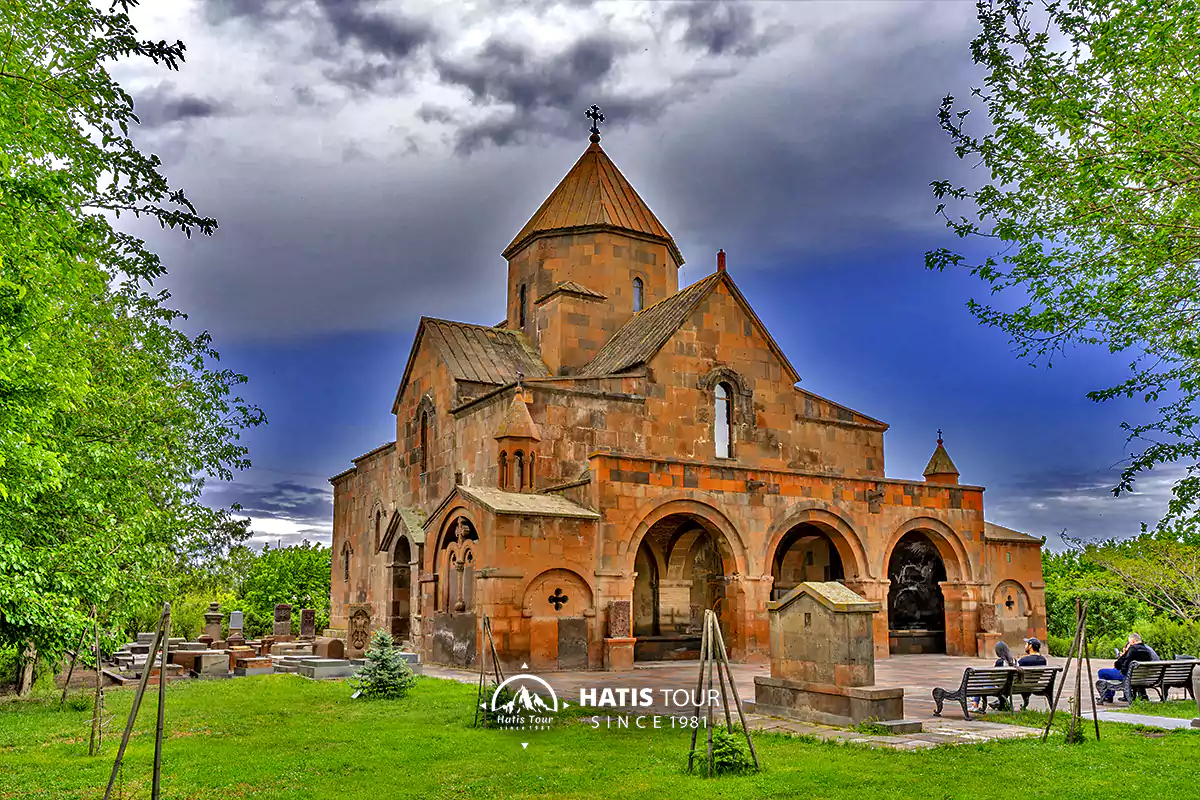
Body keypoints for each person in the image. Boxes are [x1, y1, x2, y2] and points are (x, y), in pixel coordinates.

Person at [1097, 633, 1155, 702]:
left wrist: (1123, 655)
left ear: (1133, 641)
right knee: (1113, 671)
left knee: (1102, 672)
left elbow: (1118, 665)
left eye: (1129, 642)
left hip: (1127, 677)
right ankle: (1109, 696)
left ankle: (1108, 696)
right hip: (1141, 677)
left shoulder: (1133, 649)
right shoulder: (1147, 650)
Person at [970, 641, 1017, 713]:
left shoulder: (1000, 662)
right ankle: (974, 702)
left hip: (1000, 688)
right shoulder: (1014, 661)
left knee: (981, 682)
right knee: (982, 681)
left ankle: (975, 704)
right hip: (1012, 687)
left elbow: (992, 677)